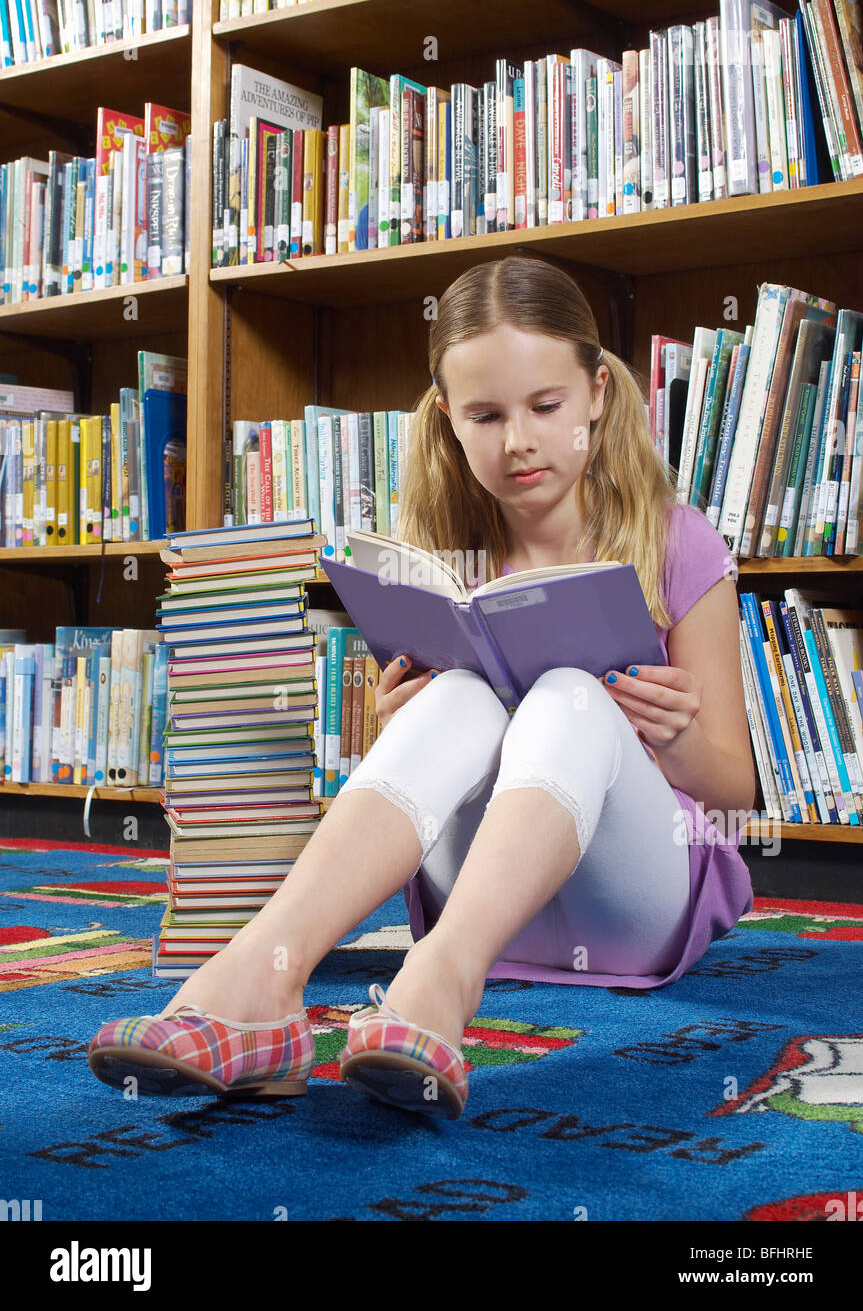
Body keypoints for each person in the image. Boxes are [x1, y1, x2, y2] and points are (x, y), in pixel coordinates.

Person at [88, 254, 756, 1120]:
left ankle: (439, 984)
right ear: (446, 418)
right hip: (482, 895)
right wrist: (399, 715)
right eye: (484, 415)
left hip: (630, 908)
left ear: (597, 392)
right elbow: (423, 777)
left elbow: (735, 788)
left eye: (545, 407)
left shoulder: (679, 542)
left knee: (568, 695)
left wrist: (672, 739)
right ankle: (260, 979)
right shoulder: (435, 557)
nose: (517, 440)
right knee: (454, 698)